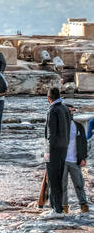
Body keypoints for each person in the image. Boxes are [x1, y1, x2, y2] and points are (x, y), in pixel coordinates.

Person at [43, 87, 85, 216]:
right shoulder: (65, 109)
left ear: (49, 98)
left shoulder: (53, 110)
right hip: (63, 150)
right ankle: (59, 208)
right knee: (59, 179)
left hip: (54, 150)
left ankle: (56, 209)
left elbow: (51, 133)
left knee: (53, 179)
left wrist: (47, 151)